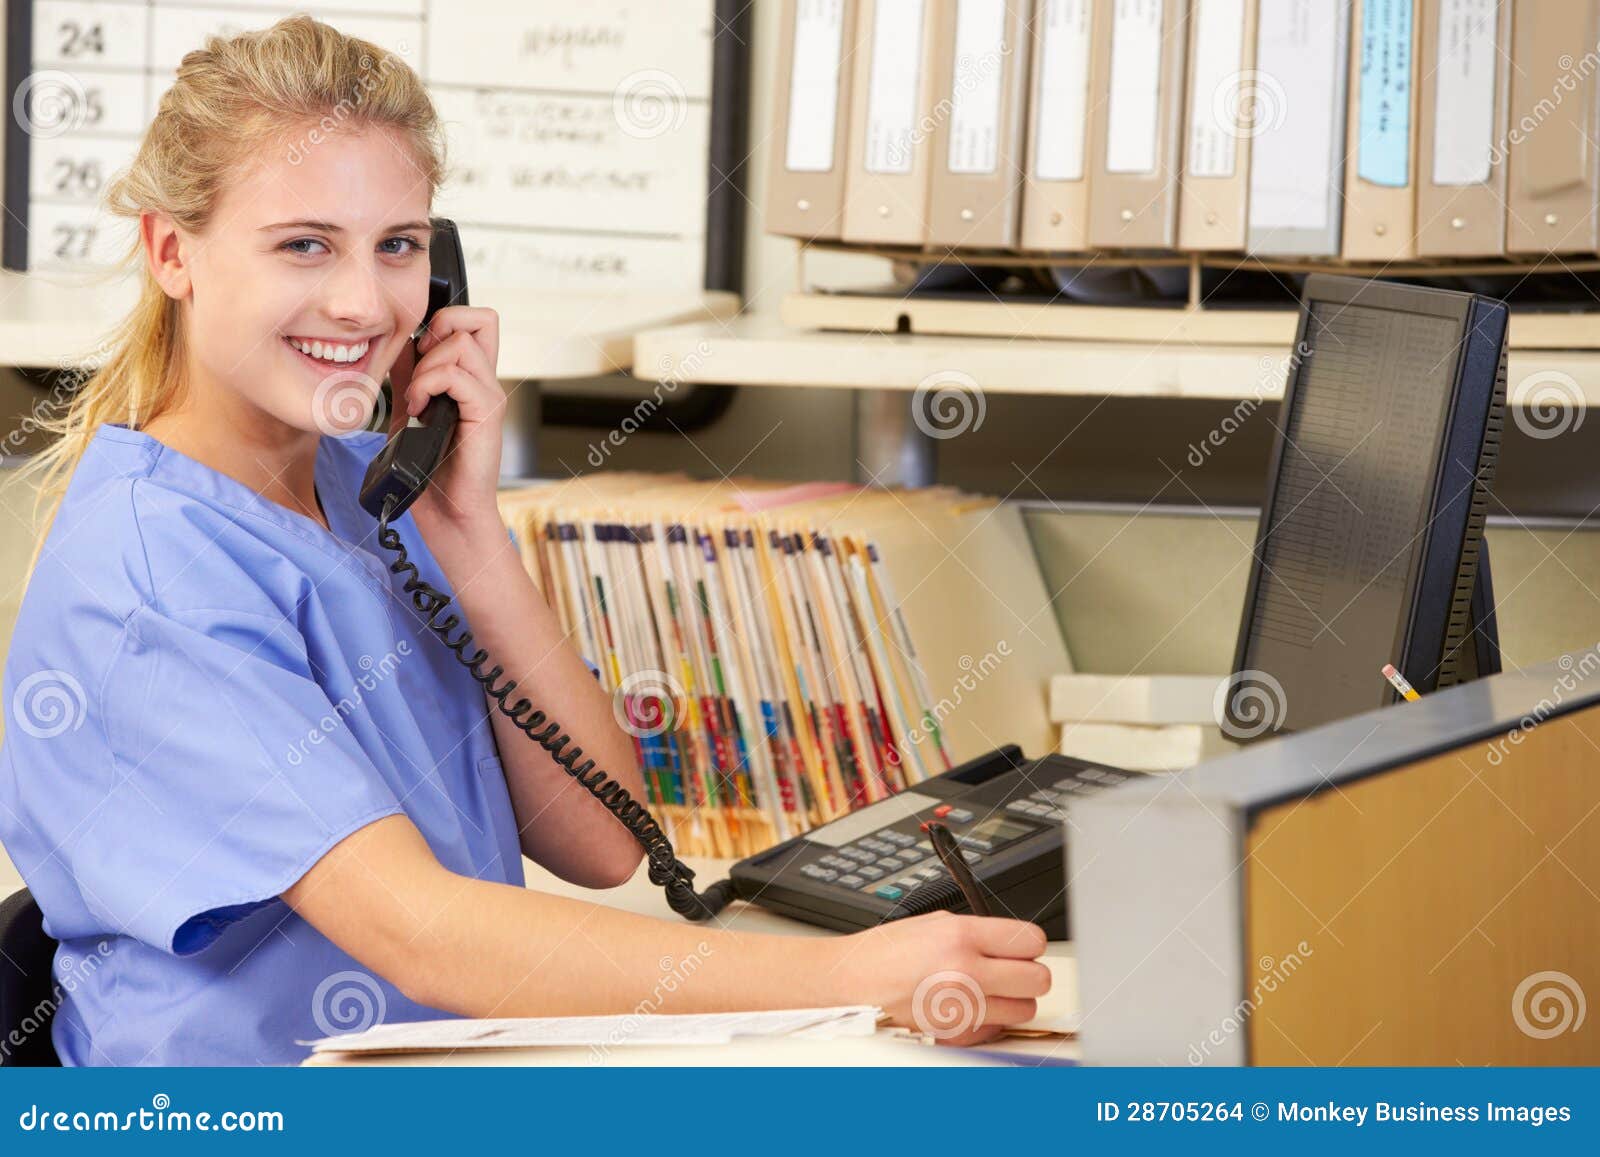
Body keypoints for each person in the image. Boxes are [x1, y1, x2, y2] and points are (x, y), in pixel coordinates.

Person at [0, 16, 1050, 1066]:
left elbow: (600, 841)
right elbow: (426, 936)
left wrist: (472, 536)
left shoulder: (363, 488)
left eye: (398, 246)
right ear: (171, 250)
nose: (364, 302)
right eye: (303, 244)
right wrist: (855, 979)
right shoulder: (149, 580)